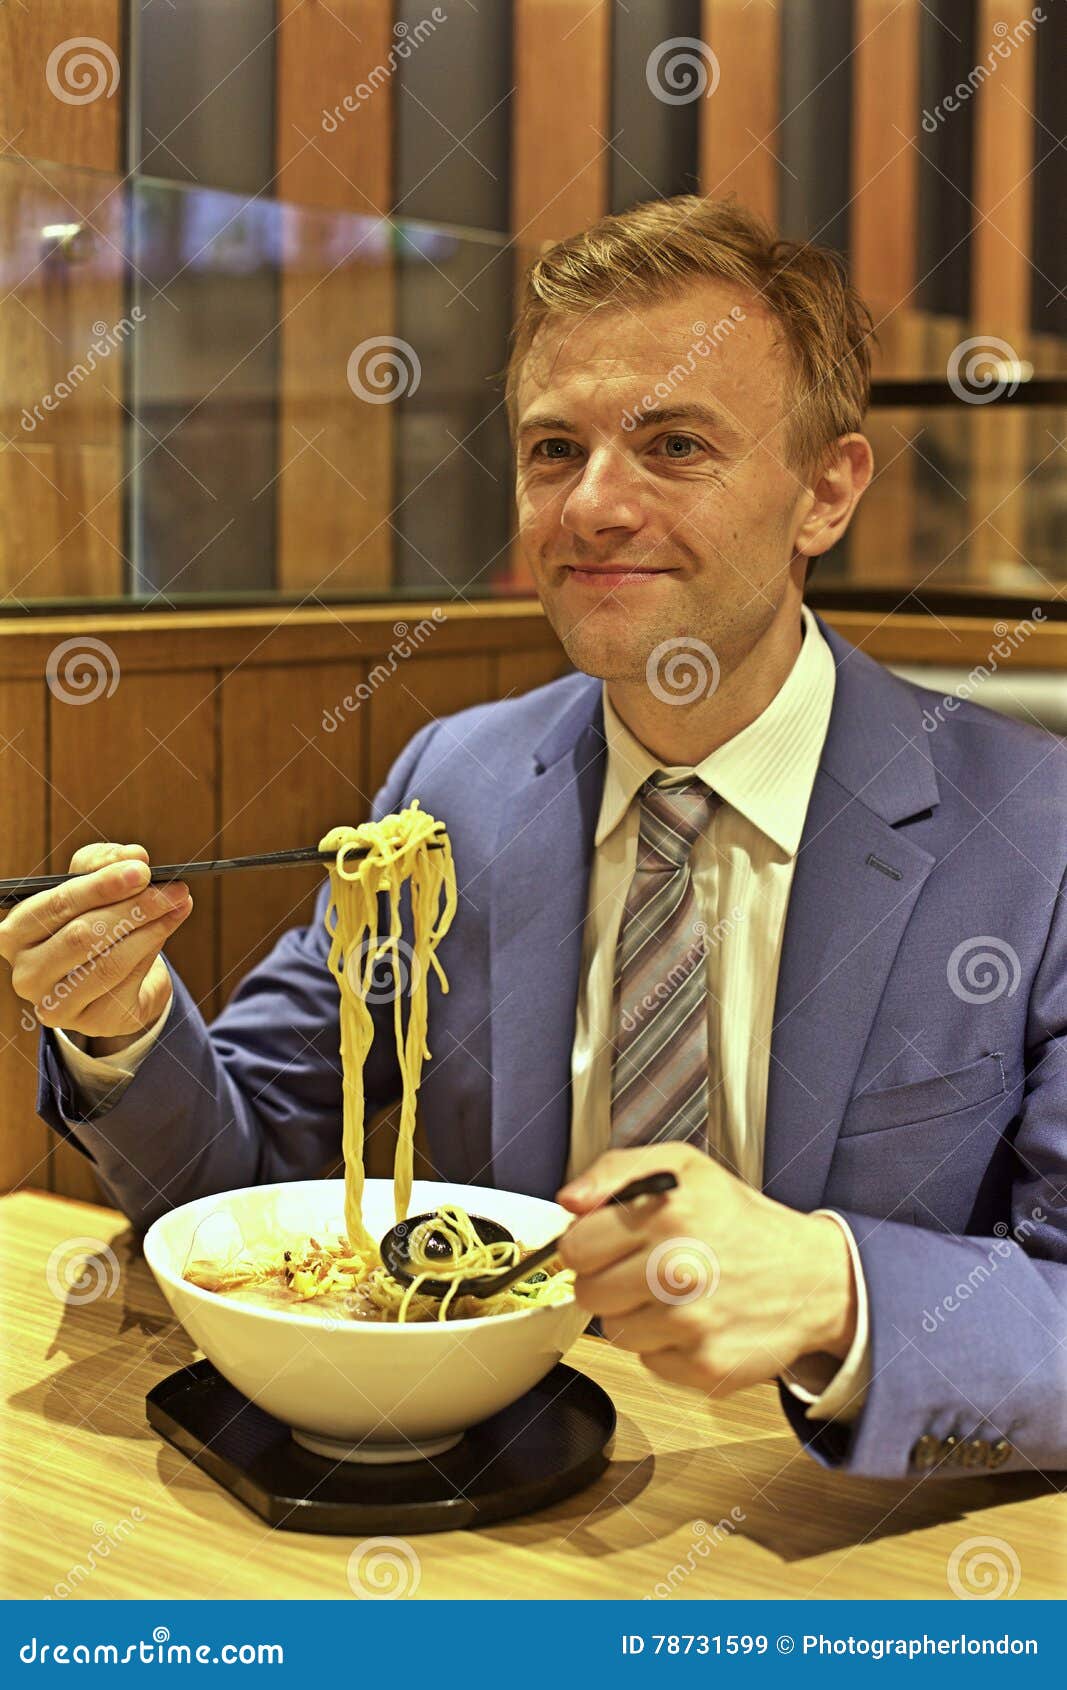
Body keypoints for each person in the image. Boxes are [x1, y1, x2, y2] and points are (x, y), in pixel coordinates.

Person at [4, 196, 1064, 1481]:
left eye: (674, 443)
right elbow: (253, 1162)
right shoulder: (455, 785)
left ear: (824, 493)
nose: (593, 506)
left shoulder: (1033, 838)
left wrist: (839, 1292)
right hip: (491, 1486)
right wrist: (121, 1022)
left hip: (836, 1529)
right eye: (554, 449)